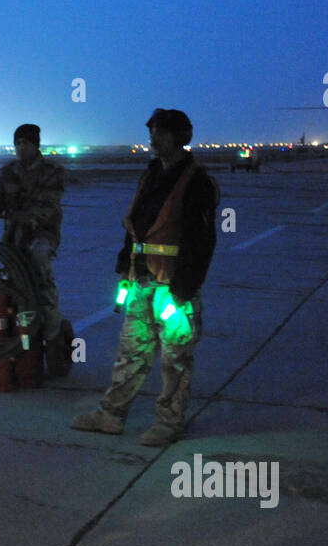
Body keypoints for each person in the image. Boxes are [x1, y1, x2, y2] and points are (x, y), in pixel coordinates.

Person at [72, 108, 219, 445]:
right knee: (130, 354)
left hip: (174, 290)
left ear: (180, 137)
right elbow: (135, 225)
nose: (153, 138)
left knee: (175, 360)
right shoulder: (150, 174)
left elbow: (203, 241)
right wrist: (126, 268)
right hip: (141, 282)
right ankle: (111, 415)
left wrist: (183, 291)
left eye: (162, 132)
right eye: (152, 131)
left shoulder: (197, 181)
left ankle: (168, 422)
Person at [0, 123, 72, 374]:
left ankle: (53, 334)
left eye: (26, 144)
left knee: (39, 265)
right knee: (7, 283)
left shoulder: (52, 172)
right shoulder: (6, 173)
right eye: (18, 144)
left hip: (42, 234)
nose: (21, 148)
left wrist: (28, 219)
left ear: (36, 145)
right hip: (14, 238)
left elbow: (48, 204)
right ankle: (3, 338)